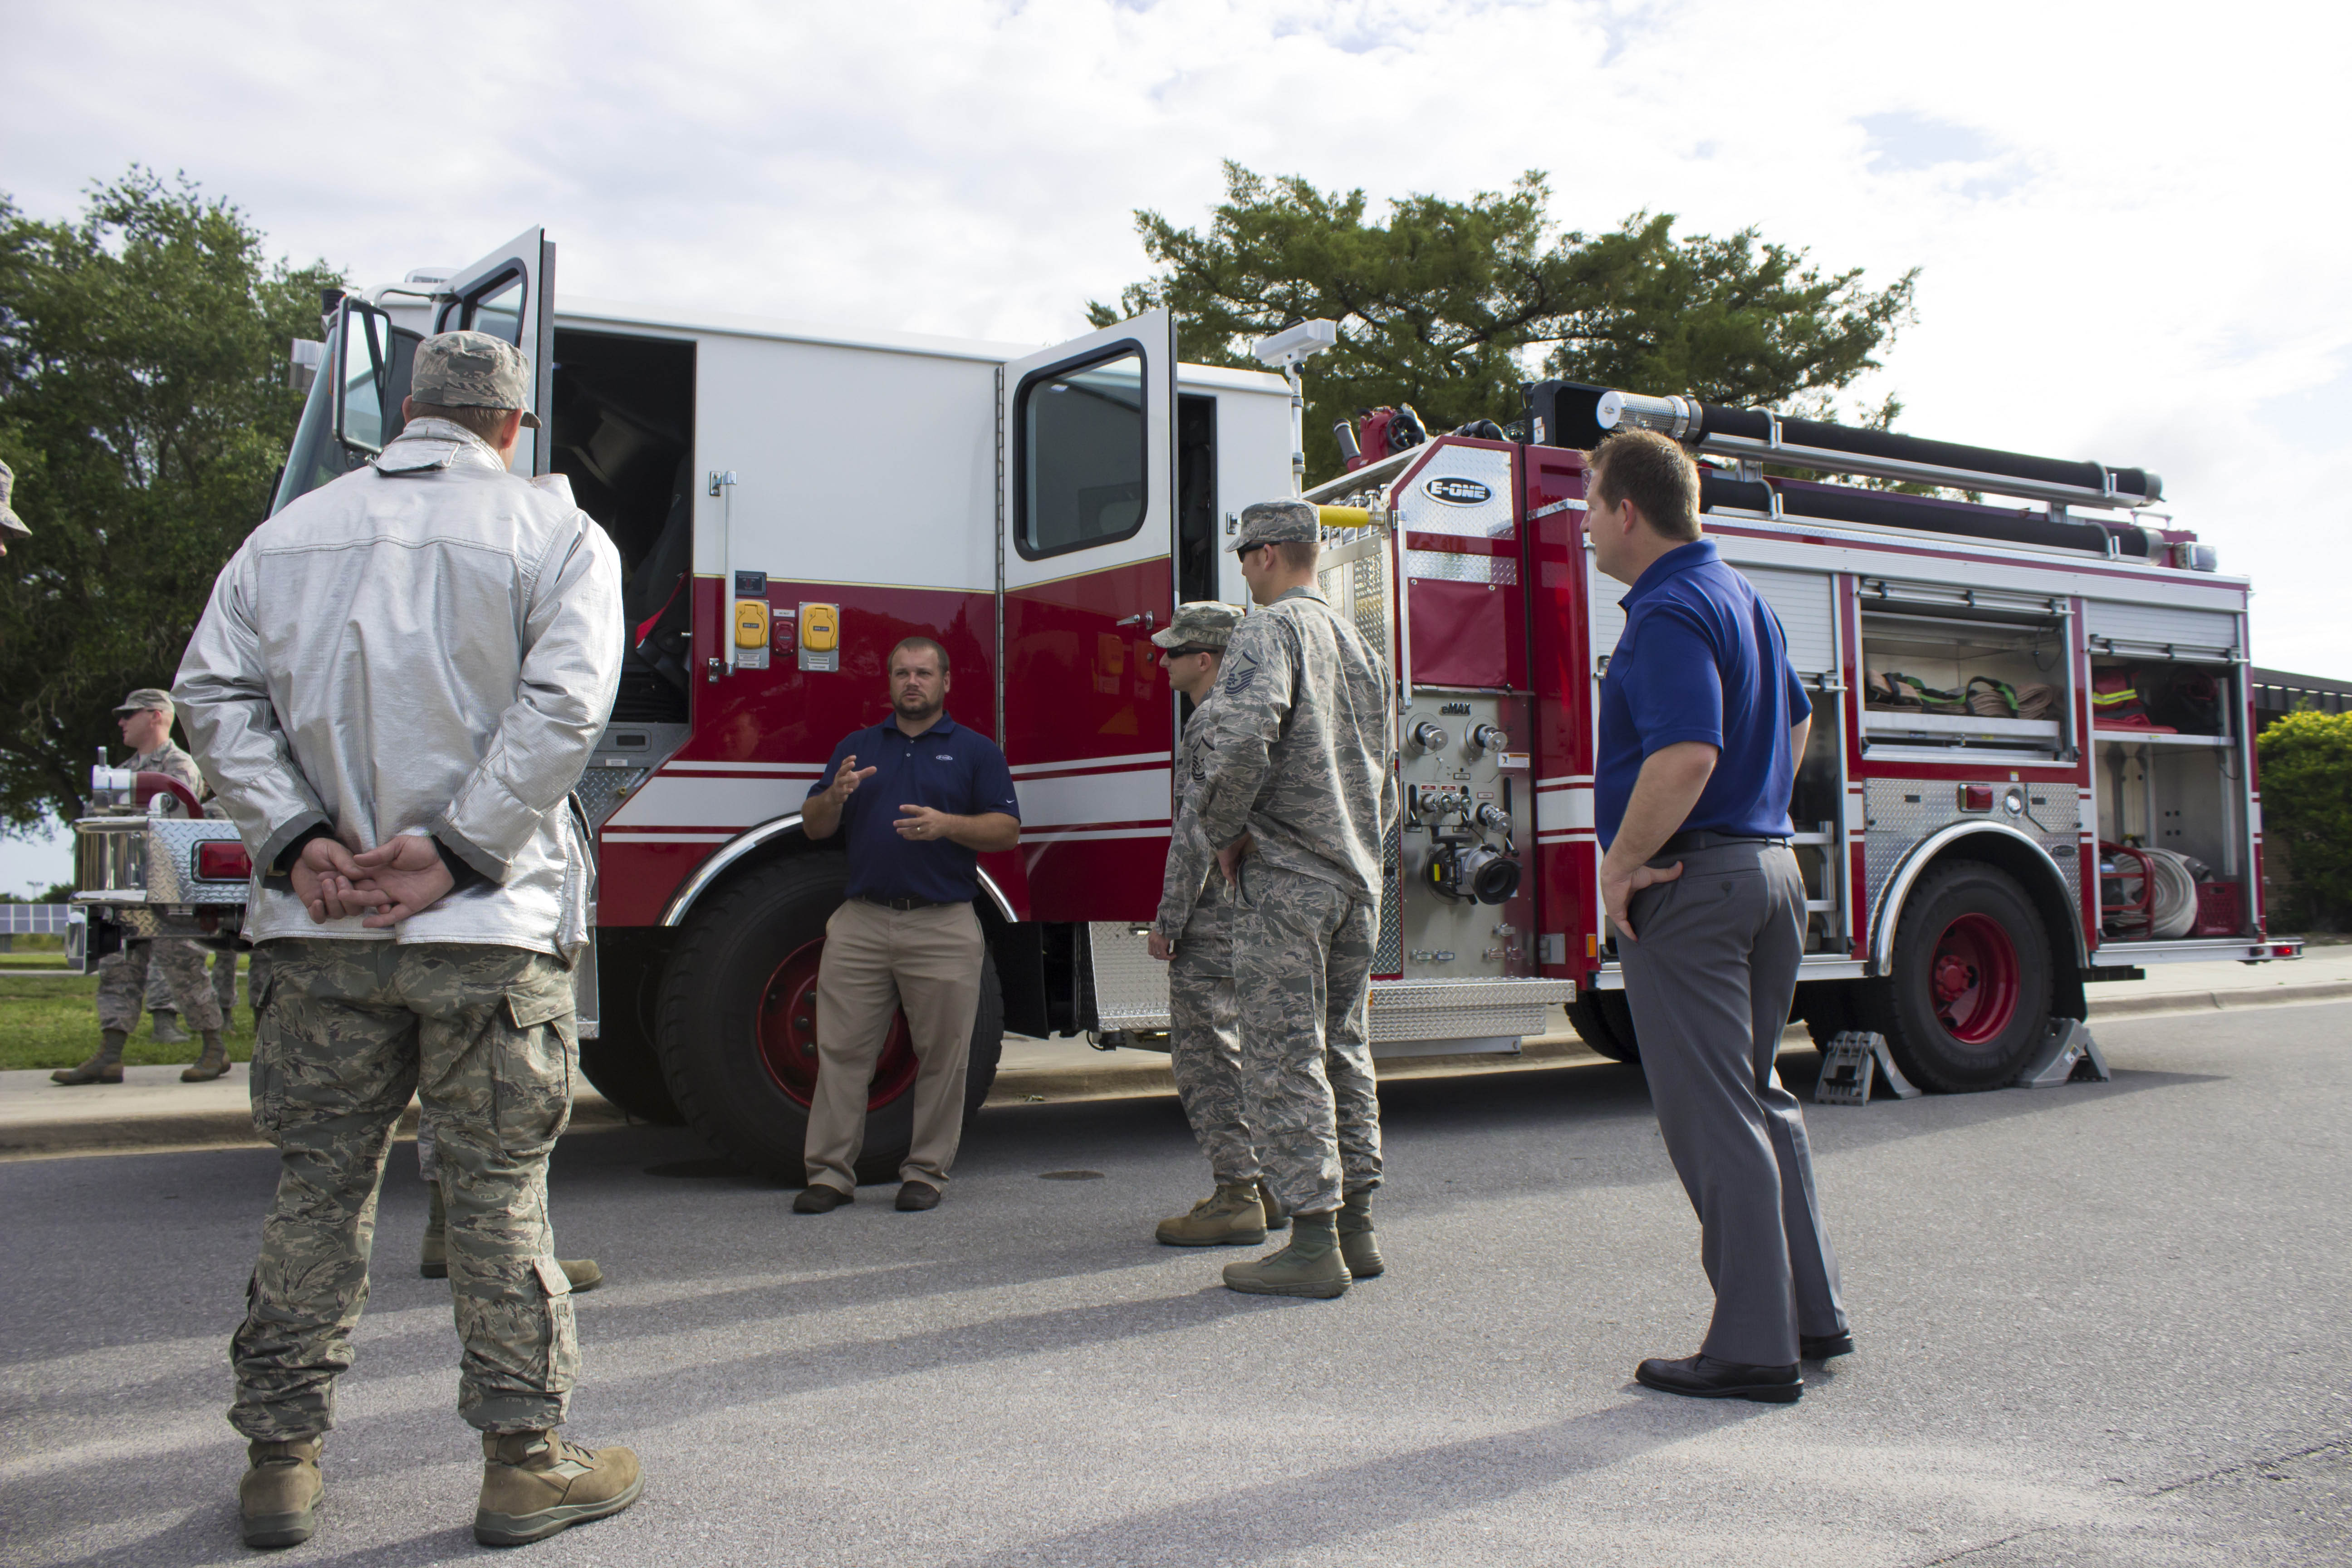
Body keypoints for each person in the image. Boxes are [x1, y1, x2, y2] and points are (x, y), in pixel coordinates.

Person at [174, 329, 640, 1548]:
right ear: (512, 427)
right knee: (496, 1195)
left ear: (404, 414)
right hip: (487, 926)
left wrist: (296, 838)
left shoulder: (286, 539)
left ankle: (280, 1461)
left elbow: (212, 697)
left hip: (320, 921)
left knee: (318, 1188)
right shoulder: (556, 534)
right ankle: (524, 1463)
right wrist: (459, 847)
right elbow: (565, 707)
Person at [1584, 428, 1851, 1406]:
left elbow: (1687, 752)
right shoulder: (1741, 596)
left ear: (1627, 511)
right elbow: (1797, 718)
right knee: (1759, 1098)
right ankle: (1808, 1316)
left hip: (1692, 886)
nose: (1583, 526)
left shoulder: (1664, 609)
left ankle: (1750, 1346)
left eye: (1589, 505)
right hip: (1768, 872)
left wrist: (1621, 865)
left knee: (1716, 1118)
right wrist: (1758, 805)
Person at [1189, 501, 1396, 1299]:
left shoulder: (1267, 630)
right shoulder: (1361, 647)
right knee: (1344, 1049)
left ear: (1269, 554)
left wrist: (1224, 831)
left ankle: (1311, 1243)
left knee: (1284, 1055)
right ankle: (1357, 1230)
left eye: (1244, 556)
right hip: (1355, 882)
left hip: (1287, 881)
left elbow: (1243, 738)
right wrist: (1362, 854)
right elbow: (1383, 779)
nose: (1243, 571)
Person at [794, 636, 1020, 1215]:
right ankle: (830, 1176)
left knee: (943, 1057)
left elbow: (1006, 832)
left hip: (943, 924)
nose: (912, 682)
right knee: (841, 1053)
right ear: (890, 683)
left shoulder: (976, 752)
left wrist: (948, 825)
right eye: (902, 673)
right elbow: (815, 826)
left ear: (946, 682)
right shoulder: (857, 748)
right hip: (862, 922)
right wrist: (834, 796)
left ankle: (925, 1173)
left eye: (923, 673)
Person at [1144, 601, 1285, 1246]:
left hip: (1212, 916)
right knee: (1249, 1049)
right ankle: (1265, 1187)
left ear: (1205, 660)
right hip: (1256, 909)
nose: (1164, 663)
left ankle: (1237, 1195)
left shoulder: (1210, 722)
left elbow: (1197, 833)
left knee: (1206, 1055)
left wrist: (1169, 920)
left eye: (1173, 652)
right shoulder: (1262, 716)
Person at [53, 690, 231, 1085]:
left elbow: (176, 820)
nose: (121, 722)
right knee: (118, 969)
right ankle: (109, 1056)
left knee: (184, 968)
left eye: (129, 714)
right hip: (127, 888)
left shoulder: (179, 765)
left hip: (168, 891)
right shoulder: (121, 772)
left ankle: (214, 1049)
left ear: (156, 716)